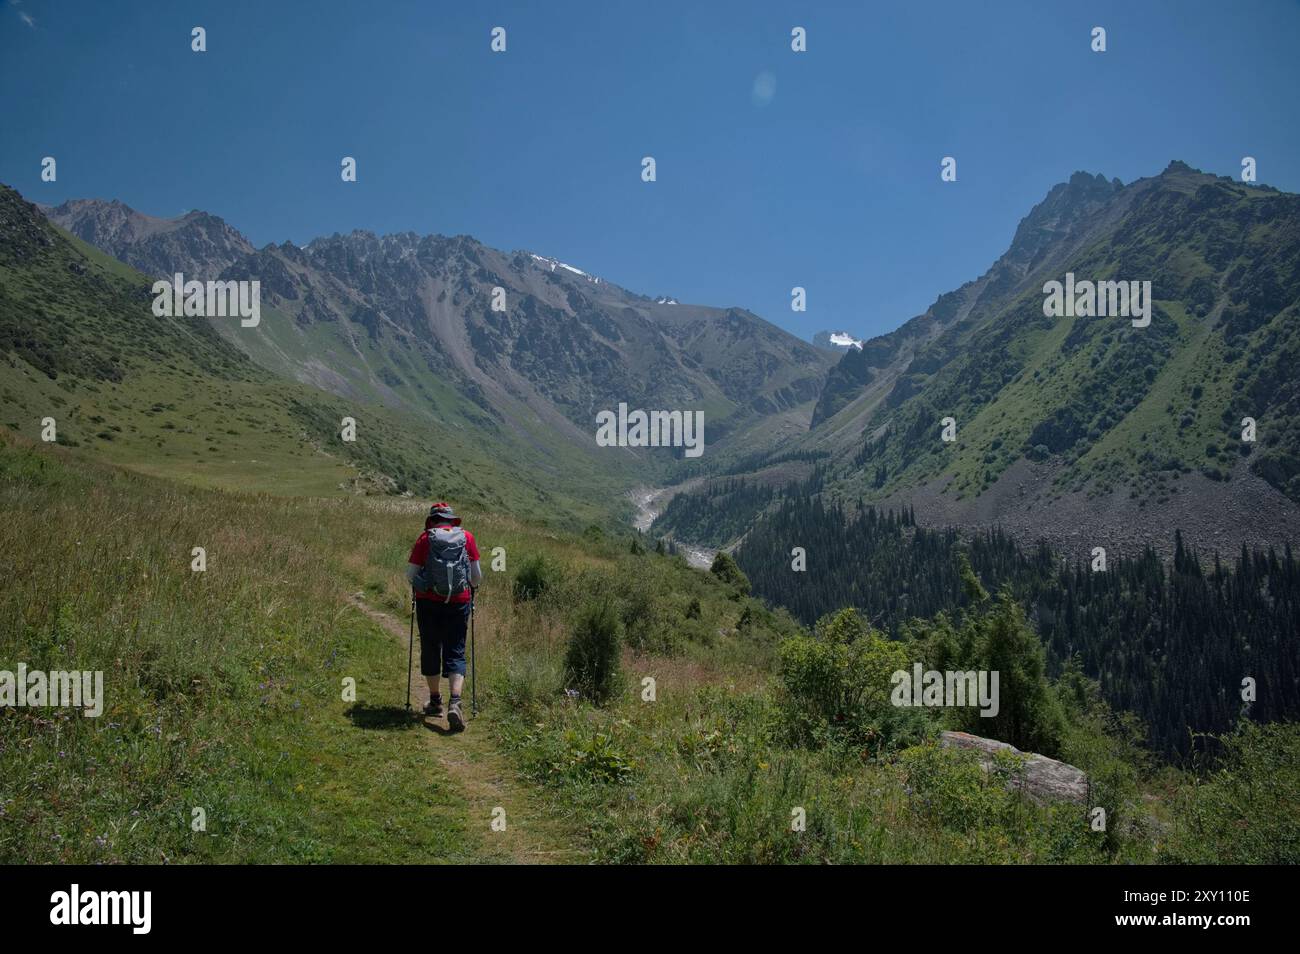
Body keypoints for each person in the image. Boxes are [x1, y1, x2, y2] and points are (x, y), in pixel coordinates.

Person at [405, 502, 482, 730]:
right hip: (459, 603)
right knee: (455, 649)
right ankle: (455, 702)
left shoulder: (425, 539)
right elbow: (476, 577)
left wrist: (424, 585)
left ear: (432, 520)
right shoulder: (467, 537)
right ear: (451, 520)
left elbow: (410, 575)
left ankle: (435, 700)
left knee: (430, 647)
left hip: (428, 603)